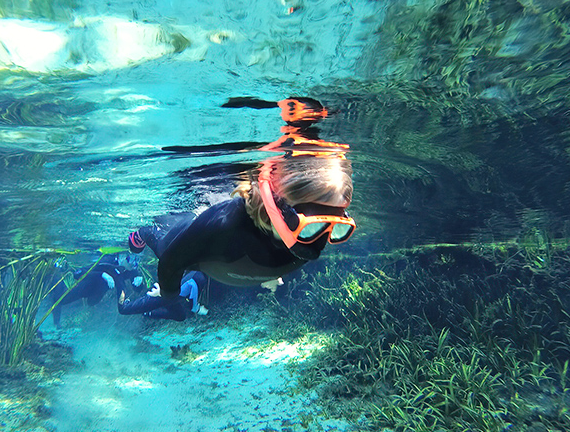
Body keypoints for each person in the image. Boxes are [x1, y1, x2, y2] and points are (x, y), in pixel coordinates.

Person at [125, 97, 355, 301]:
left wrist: (273, 272)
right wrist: (169, 295)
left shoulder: (307, 238)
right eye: (311, 227)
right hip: (196, 253)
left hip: (227, 261)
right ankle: (144, 232)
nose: (321, 243)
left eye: (337, 229)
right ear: (276, 206)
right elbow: (169, 264)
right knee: (164, 244)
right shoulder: (223, 225)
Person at [49, 253, 142, 327]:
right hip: (85, 286)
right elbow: (79, 273)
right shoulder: (107, 260)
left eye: (137, 260)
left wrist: (139, 282)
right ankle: (56, 324)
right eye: (131, 259)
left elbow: (136, 289)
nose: (134, 264)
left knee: (91, 303)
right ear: (122, 257)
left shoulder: (131, 270)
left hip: (96, 294)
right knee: (59, 300)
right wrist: (102, 274)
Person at [116, 270, 209, 321]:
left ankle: (148, 313)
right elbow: (193, 292)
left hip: (169, 297)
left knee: (180, 316)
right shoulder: (200, 278)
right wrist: (197, 309)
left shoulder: (197, 273)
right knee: (123, 309)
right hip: (161, 295)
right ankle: (118, 276)